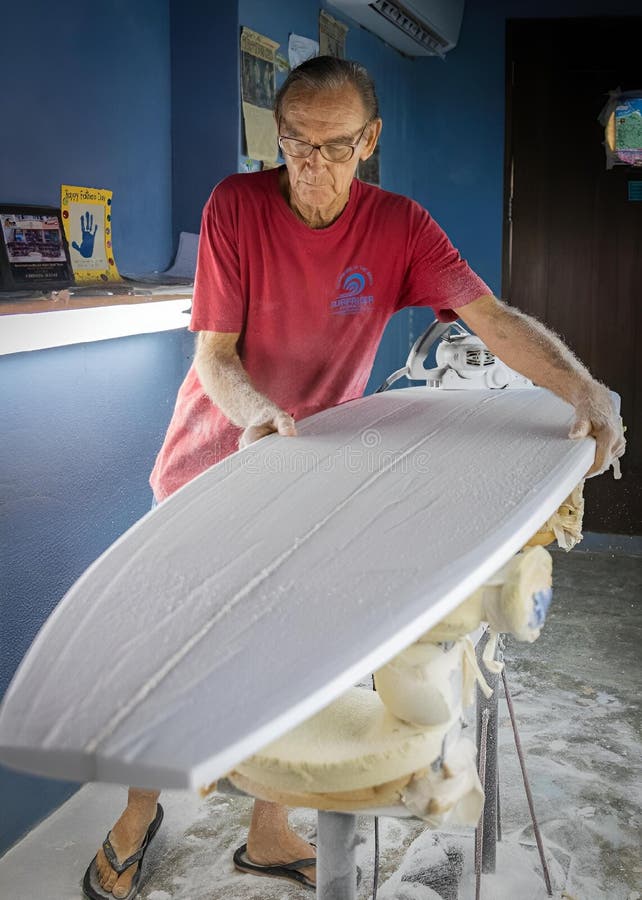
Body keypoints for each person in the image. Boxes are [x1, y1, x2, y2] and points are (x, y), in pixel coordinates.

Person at [84, 56, 625, 899]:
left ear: (369, 141)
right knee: (178, 658)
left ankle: (268, 831)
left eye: (333, 147)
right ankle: (134, 817)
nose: (311, 165)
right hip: (215, 461)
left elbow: (495, 322)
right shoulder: (236, 204)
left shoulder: (401, 226)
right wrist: (257, 417)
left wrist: (582, 388)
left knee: (291, 656)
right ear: (278, 136)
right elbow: (215, 357)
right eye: (295, 143)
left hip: (316, 473)